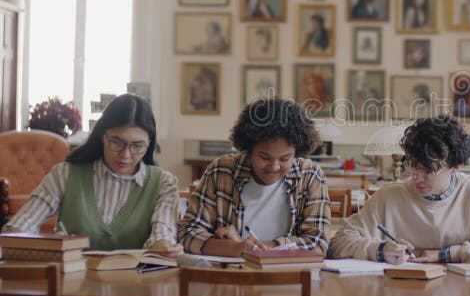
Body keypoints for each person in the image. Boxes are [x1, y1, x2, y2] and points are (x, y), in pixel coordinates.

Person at [329, 115, 470, 266]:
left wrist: (449, 254)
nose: (416, 177)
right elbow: (338, 243)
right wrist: (380, 250)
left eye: (428, 170)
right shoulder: (389, 196)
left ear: (455, 167)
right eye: (413, 165)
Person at [2, 94, 181, 255]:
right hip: (72, 283)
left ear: (149, 144)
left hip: (137, 285)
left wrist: (163, 246)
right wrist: (19, 238)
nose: (126, 155)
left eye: (137, 146)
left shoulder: (164, 184)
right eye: (116, 142)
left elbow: (162, 235)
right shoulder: (65, 174)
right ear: (103, 135)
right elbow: (20, 227)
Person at [178, 98, 332, 256]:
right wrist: (236, 248)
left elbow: (318, 242)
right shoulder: (222, 171)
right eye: (265, 157)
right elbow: (187, 232)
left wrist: (255, 249)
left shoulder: (310, 176)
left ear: (297, 152)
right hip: (230, 276)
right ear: (249, 149)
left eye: (285, 159)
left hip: (289, 276)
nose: (274, 167)